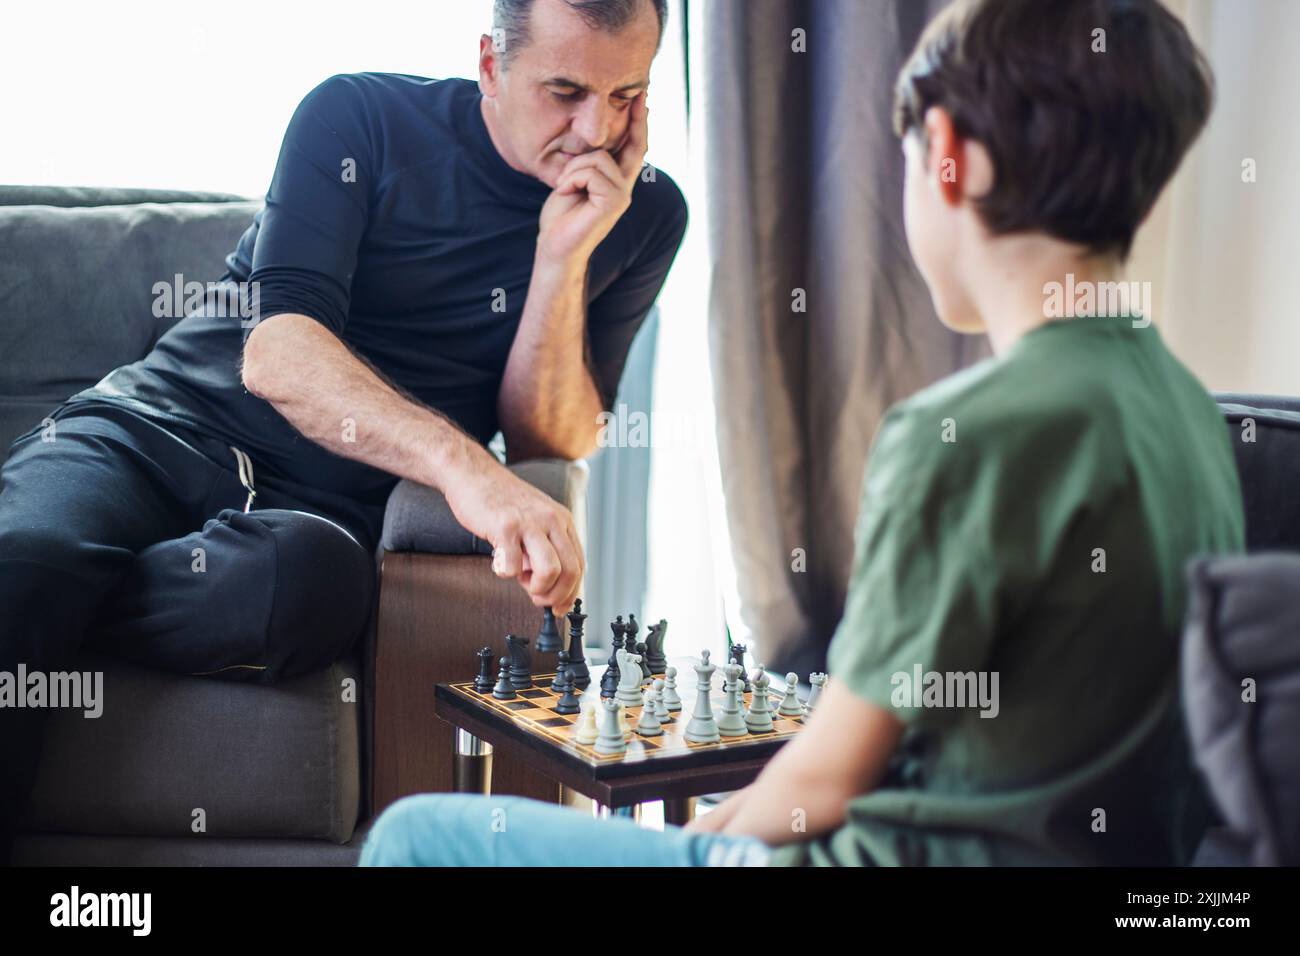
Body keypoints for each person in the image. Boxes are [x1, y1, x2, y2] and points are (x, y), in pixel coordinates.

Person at [358, 0, 1244, 868]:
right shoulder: (1196, 416)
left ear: (948, 157)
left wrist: (685, 853)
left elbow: (823, 782)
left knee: (413, 836)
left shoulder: (967, 436)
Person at [0, 0, 686, 861]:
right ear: (491, 64)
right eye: (565, 92)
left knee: (306, 592)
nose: (596, 130)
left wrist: (562, 260)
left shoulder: (644, 214)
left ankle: (61, 602)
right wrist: (462, 465)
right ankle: (49, 588)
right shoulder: (358, 116)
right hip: (154, 433)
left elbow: (551, 439)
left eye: (625, 95)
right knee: (29, 558)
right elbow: (278, 354)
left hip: (313, 517)